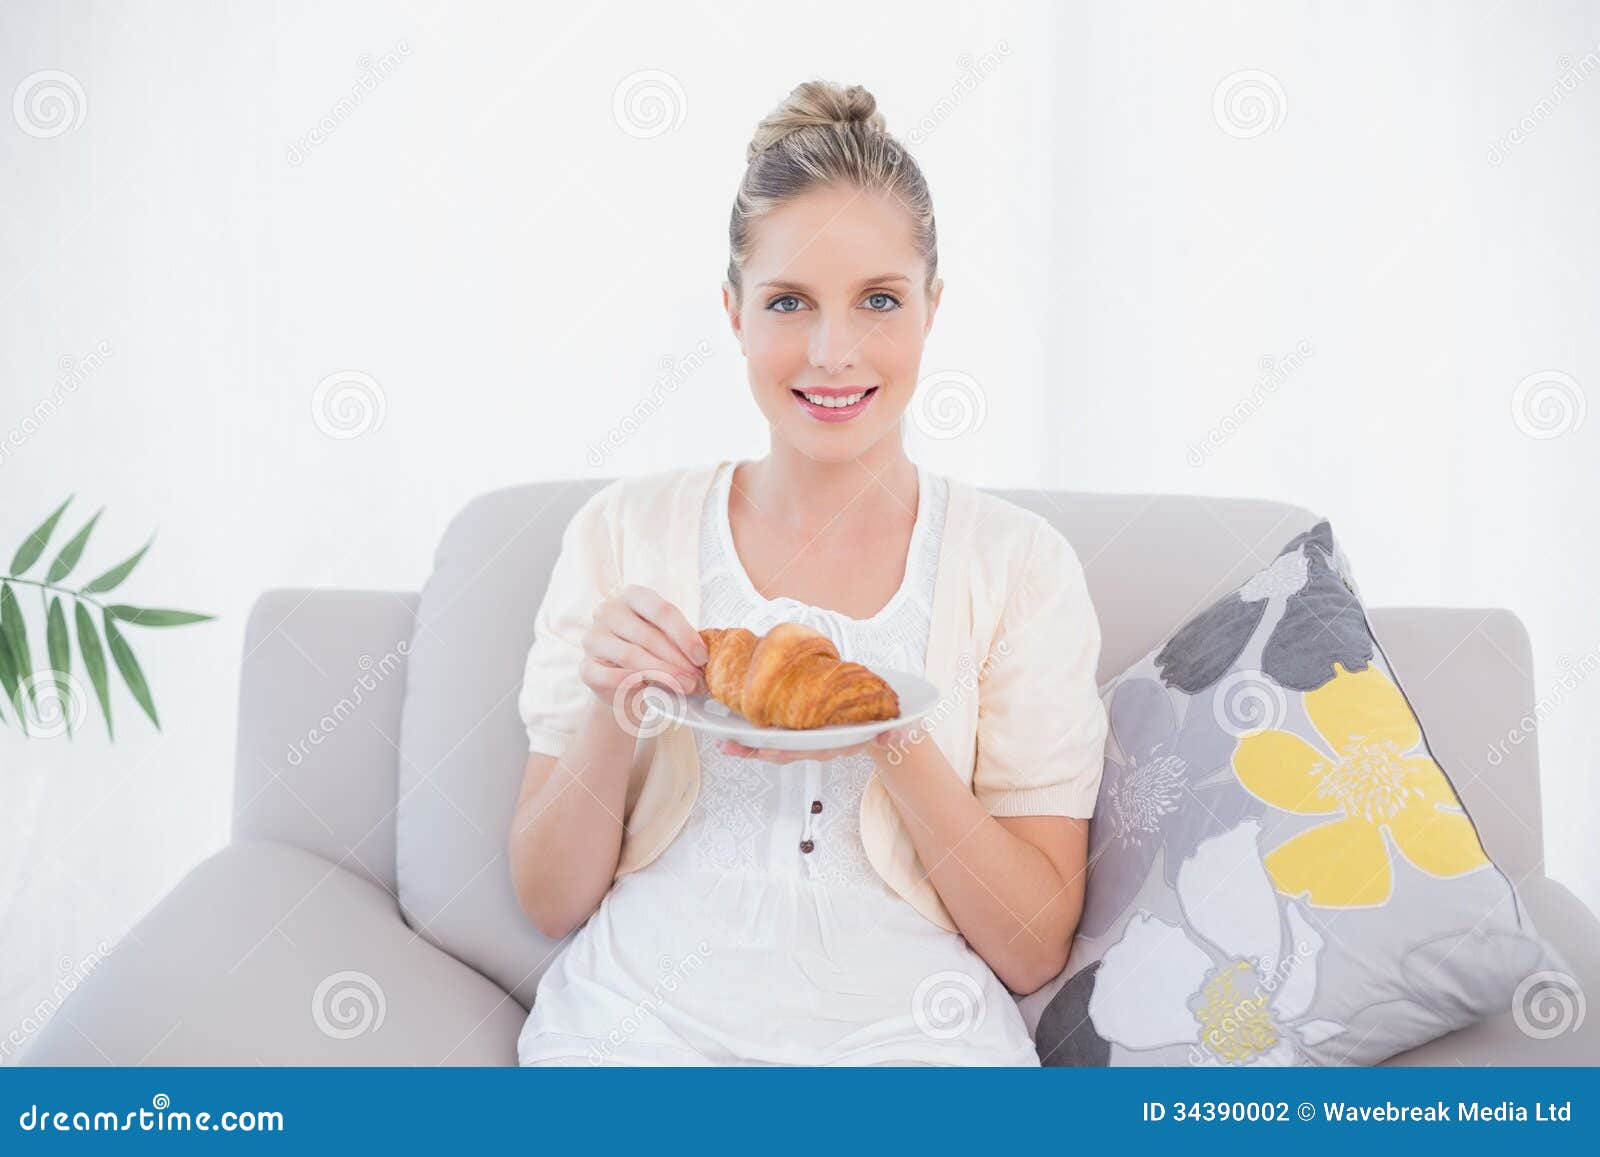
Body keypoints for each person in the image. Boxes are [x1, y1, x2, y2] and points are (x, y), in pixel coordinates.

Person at [507, 79, 1108, 1066]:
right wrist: (612, 705)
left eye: (879, 300)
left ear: (931, 311)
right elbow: (546, 897)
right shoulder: (622, 531)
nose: (834, 354)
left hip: (913, 1036)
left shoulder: (1019, 567)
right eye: (789, 301)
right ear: (734, 312)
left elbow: (1032, 942)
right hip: (638, 1023)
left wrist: (884, 734)